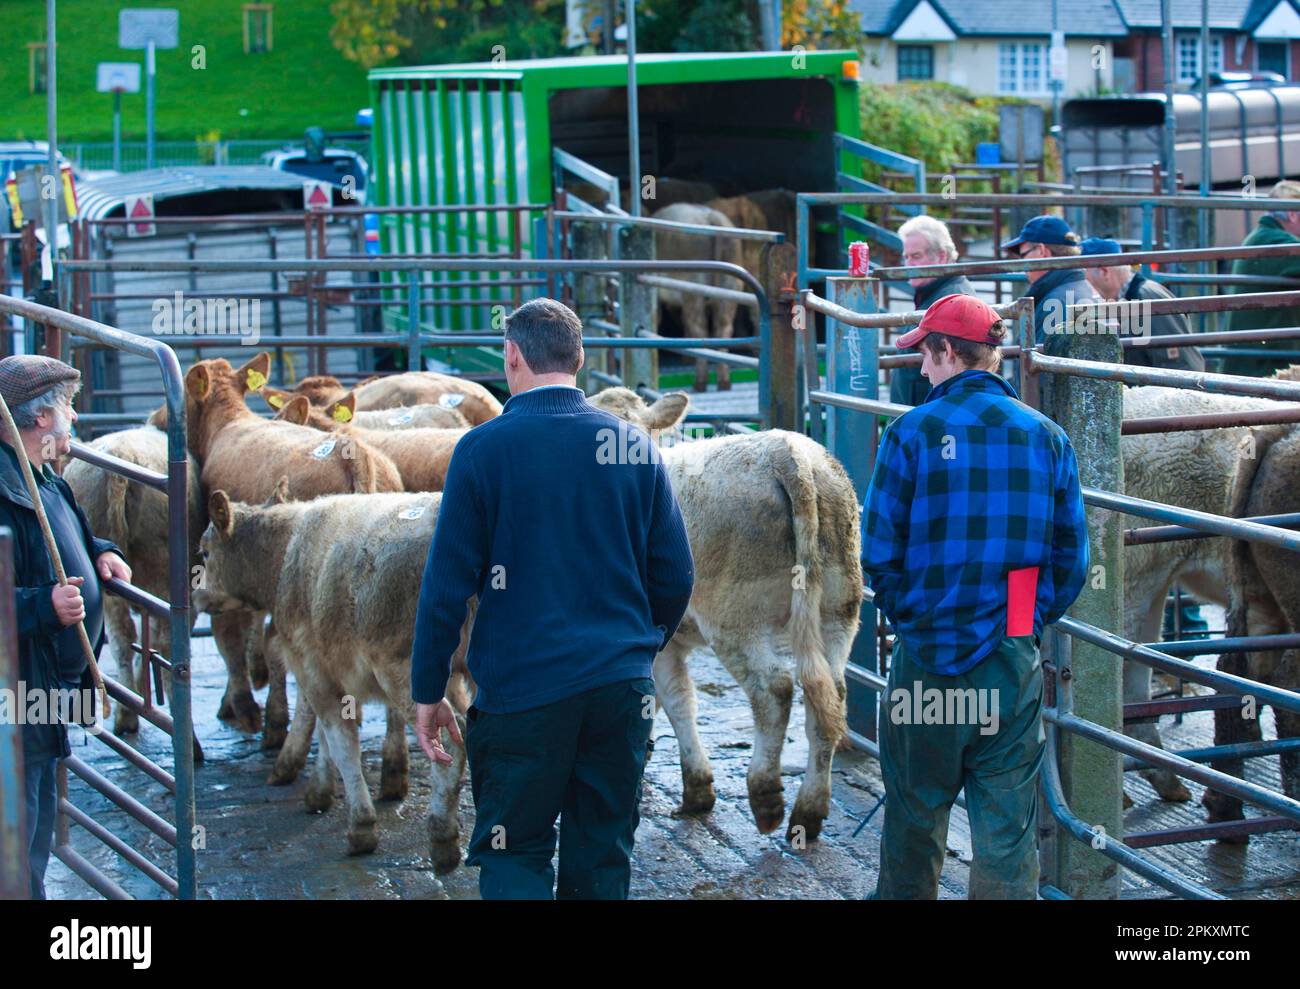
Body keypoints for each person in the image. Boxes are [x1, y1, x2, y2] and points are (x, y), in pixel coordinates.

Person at [409, 297, 695, 900]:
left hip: (523, 693)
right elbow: (674, 575)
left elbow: (445, 588)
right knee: (602, 852)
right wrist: (635, 651)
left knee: (516, 850)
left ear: (511, 354)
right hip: (619, 693)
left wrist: (428, 690)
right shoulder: (634, 447)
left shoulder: (482, 452)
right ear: (580, 358)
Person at [860, 294, 1089, 899]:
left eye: (924, 354)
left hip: (928, 654)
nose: (920, 368)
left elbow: (879, 554)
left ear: (946, 350)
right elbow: (1071, 561)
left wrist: (916, 619)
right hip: (1008, 655)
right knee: (1007, 828)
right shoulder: (1047, 437)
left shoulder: (909, 433)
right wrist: (1023, 622)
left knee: (914, 814)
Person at [0, 355, 132, 899]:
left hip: (45, 693)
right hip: (14, 702)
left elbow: (70, 532)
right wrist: (43, 607)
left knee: (34, 828)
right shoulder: (7, 493)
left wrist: (101, 551)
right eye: (68, 407)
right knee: (15, 832)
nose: (74, 419)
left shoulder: (44, 481)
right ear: (37, 420)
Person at [1079, 237, 1205, 373]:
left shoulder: (1144, 297)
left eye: (1084, 273)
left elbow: (1176, 362)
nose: (1083, 282)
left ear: (1104, 272)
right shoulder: (1135, 296)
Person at [890, 215, 979, 407]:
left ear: (941, 256)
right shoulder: (939, 294)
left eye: (916, 256)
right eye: (906, 257)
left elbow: (954, 370)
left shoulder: (952, 299)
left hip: (928, 420)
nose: (908, 264)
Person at [1223, 180, 1300, 376]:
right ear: (1292, 214)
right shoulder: (1276, 243)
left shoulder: (1260, 237)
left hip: (1254, 357)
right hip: (1264, 367)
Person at [1003, 214, 1102, 346]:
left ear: (1041, 251)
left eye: (1023, 256)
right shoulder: (1083, 287)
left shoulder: (1053, 303)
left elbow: (1037, 364)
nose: (1022, 264)